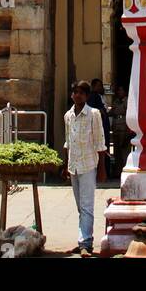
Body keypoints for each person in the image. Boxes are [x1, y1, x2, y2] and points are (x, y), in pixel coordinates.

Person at [63, 80, 107, 257]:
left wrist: (102, 168)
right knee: (80, 206)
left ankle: (85, 243)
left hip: (88, 164)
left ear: (87, 96)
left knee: (87, 205)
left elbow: (100, 142)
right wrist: (65, 165)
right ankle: (83, 238)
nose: (77, 95)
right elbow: (68, 142)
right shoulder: (68, 116)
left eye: (81, 93)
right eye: (75, 92)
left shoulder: (93, 114)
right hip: (73, 165)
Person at [109, 83, 130, 176]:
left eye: (121, 90)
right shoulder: (116, 101)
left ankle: (126, 170)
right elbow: (112, 112)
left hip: (124, 128)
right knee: (116, 151)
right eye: (118, 90)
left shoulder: (128, 101)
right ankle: (118, 171)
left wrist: (129, 131)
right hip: (116, 127)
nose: (119, 92)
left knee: (124, 150)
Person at [88, 77, 111, 152]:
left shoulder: (98, 96)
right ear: (93, 86)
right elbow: (100, 111)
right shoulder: (94, 96)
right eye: (99, 86)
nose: (101, 87)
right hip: (100, 126)